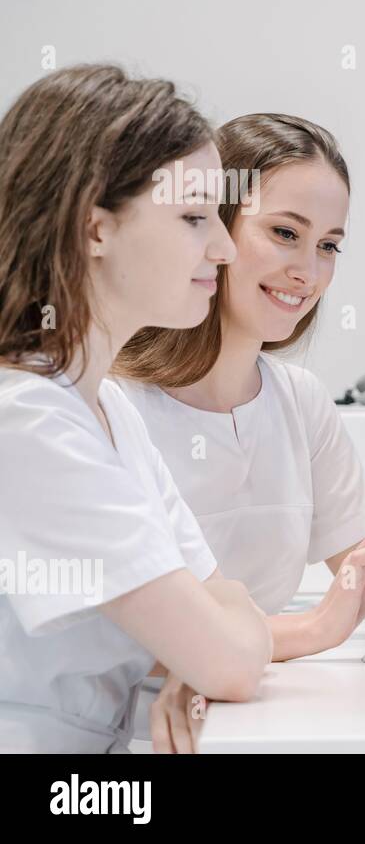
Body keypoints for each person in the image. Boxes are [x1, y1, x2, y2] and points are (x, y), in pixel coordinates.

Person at [112, 114, 365, 749]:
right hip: (133, 732)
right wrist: (311, 628)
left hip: (245, 708)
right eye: (285, 233)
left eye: (329, 246)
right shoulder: (117, 403)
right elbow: (125, 638)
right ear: (215, 228)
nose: (309, 272)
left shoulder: (299, 401)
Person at [0, 64, 274, 751]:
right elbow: (231, 653)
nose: (223, 246)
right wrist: (201, 655)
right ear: (95, 229)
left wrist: (192, 656)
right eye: (192, 216)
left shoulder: (108, 408)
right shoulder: (27, 422)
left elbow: (221, 612)